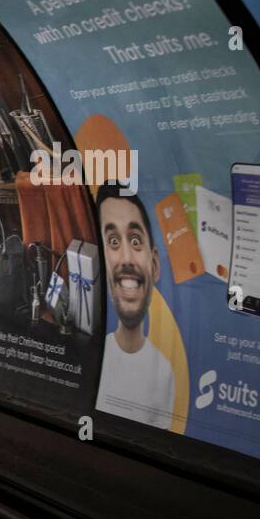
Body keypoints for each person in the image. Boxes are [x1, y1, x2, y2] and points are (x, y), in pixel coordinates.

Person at [95, 184, 176, 430]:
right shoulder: (90, 358)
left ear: (154, 264)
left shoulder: (164, 372)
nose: (127, 258)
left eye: (135, 240)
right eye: (112, 241)